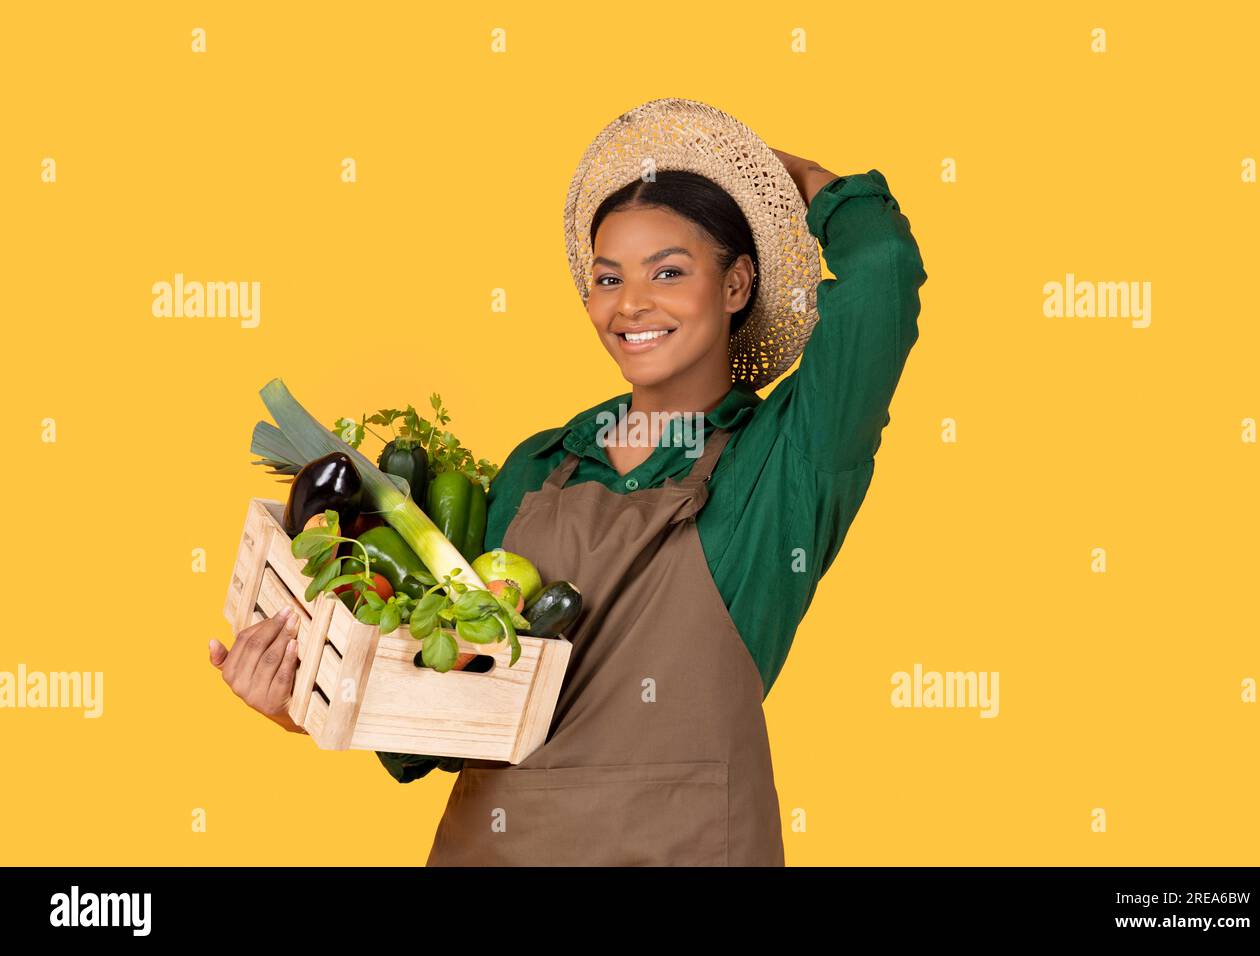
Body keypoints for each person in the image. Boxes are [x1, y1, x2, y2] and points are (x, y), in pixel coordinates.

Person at [211, 99, 926, 866]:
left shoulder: (787, 460)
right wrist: (294, 701)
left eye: (670, 272)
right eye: (608, 277)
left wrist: (804, 182)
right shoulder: (539, 465)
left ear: (737, 284)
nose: (632, 305)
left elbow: (882, 272)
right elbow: (438, 713)